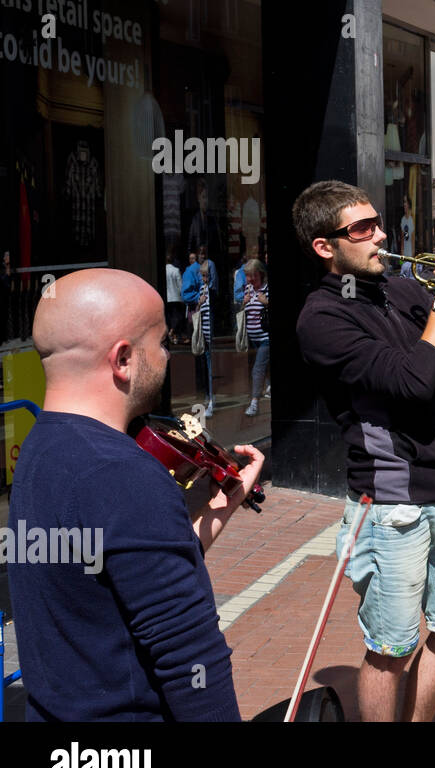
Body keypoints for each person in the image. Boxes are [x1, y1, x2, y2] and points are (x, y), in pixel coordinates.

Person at [9, 268, 263, 721]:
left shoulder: (41, 449)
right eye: (162, 342)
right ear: (122, 359)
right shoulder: (123, 473)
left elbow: (120, 576)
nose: (168, 355)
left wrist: (219, 508)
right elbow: (192, 661)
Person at [295, 182, 435, 720]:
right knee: (392, 650)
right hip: (391, 503)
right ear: (325, 246)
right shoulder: (322, 318)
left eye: (378, 222)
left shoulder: (404, 290)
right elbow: (411, 382)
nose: (381, 235)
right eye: (362, 229)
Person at [185, 259, 216, 417]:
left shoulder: (212, 290)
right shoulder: (203, 289)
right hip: (204, 333)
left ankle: (211, 399)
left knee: (211, 367)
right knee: (207, 365)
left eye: (206, 277)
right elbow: (199, 309)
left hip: (211, 334)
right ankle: (209, 396)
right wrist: (199, 301)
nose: (204, 280)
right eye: (202, 277)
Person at [240, 259, 270, 417]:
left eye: (253, 276)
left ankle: (254, 403)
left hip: (266, 338)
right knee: (260, 368)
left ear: (261, 274)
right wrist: (243, 304)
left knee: (257, 370)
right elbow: (244, 313)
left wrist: (266, 303)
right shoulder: (248, 290)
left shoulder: (267, 289)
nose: (250, 279)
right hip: (252, 340)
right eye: (248, 276)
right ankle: (268, 387)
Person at [165, 245, 184, 345]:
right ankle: (172, 332)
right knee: (177, 317)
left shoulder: (164, 270)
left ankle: (172, 334)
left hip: (167, 297)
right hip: (175, 297)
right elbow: (180, 285)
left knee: (169, 317)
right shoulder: (175, 270)